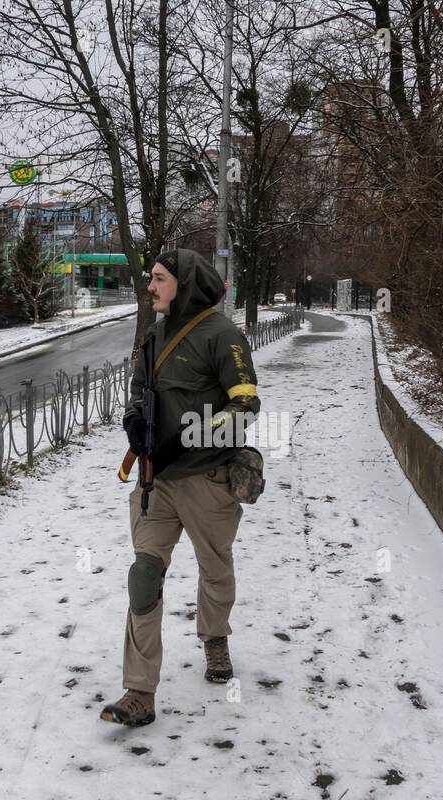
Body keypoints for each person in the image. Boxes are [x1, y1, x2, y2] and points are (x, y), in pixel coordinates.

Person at [101, 249, 260, 727]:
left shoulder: (223, 335)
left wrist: (187, 437)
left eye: (159, 279)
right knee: (143, 577)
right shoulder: (154, 333)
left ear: (185, 283)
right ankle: (139, 693)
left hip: (207, 480)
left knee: (215, 568)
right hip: (157, 483)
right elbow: (136, 389)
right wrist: (133, 422)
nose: (150, 287)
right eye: (151, 278)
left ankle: (215, 639)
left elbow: (246, 407)